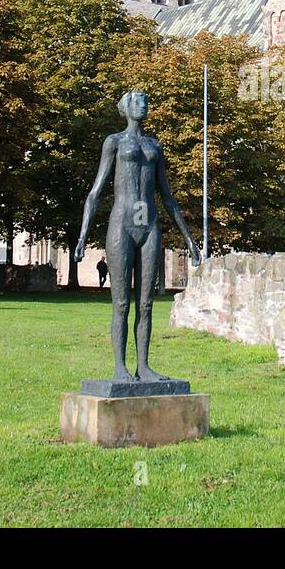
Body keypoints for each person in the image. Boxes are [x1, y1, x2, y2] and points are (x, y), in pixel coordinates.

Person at [74, 90, 200, 382]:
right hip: (122, 223)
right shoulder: (115, 142)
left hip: (149, 224)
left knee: (146, 303)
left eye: (145, 101)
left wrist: (189, 239)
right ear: (125, 108)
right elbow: (95, 192)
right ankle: (120, 367)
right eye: (136, 101)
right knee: (121, 303)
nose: (142, 104)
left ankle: (143, 366)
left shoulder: (154, 145)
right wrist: (82, 236)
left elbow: (168, 197)